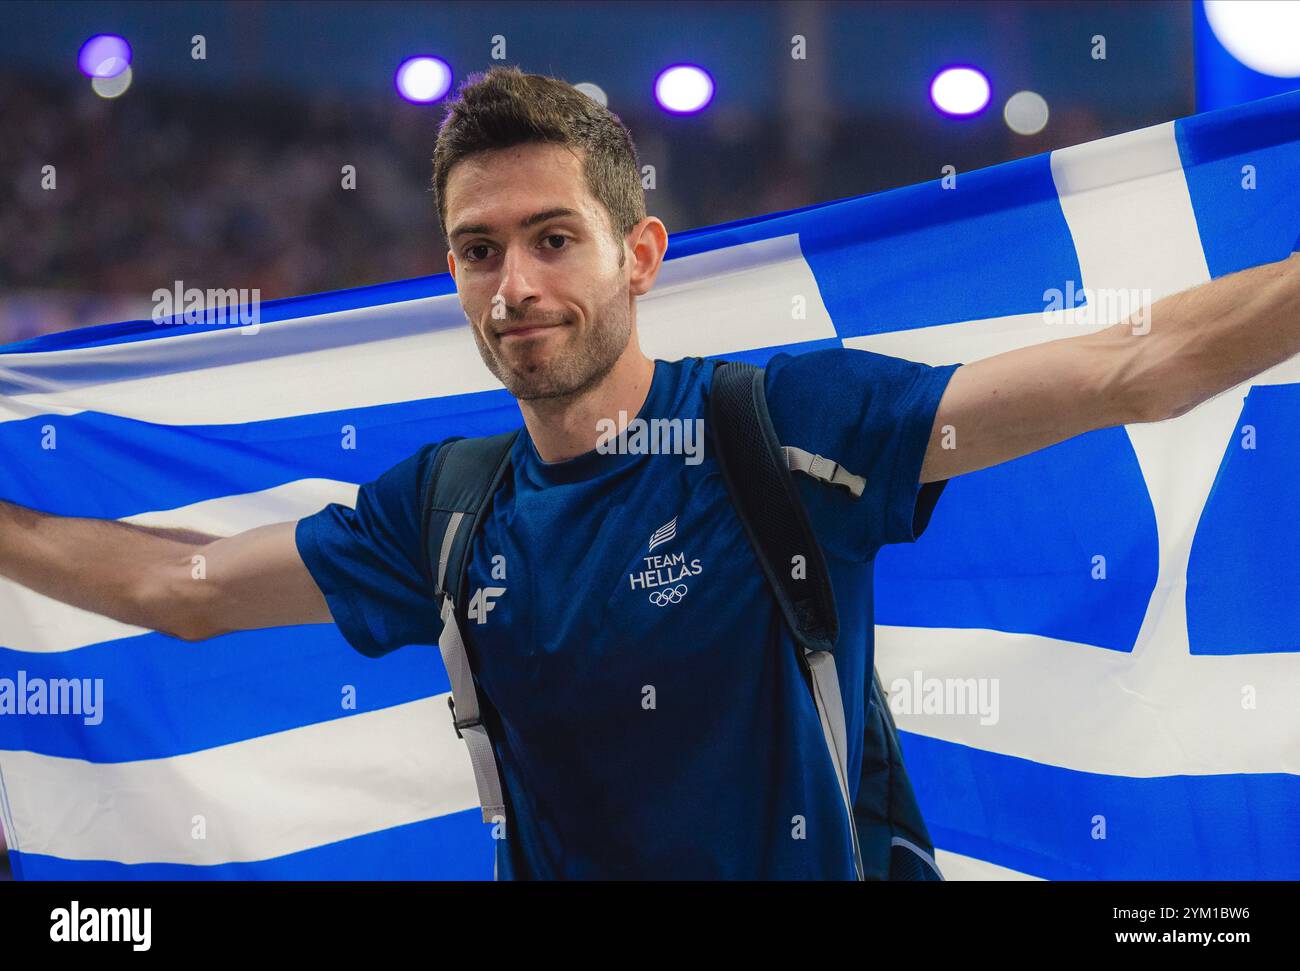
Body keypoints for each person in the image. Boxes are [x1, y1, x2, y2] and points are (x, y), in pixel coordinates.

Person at [1, 65, 1297, 879]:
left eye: (554, 238)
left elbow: (1141, 366)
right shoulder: (447, 511)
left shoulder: (783, 423)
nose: (514, 288)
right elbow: (185, 586)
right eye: (478, 249)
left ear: (641, 253)